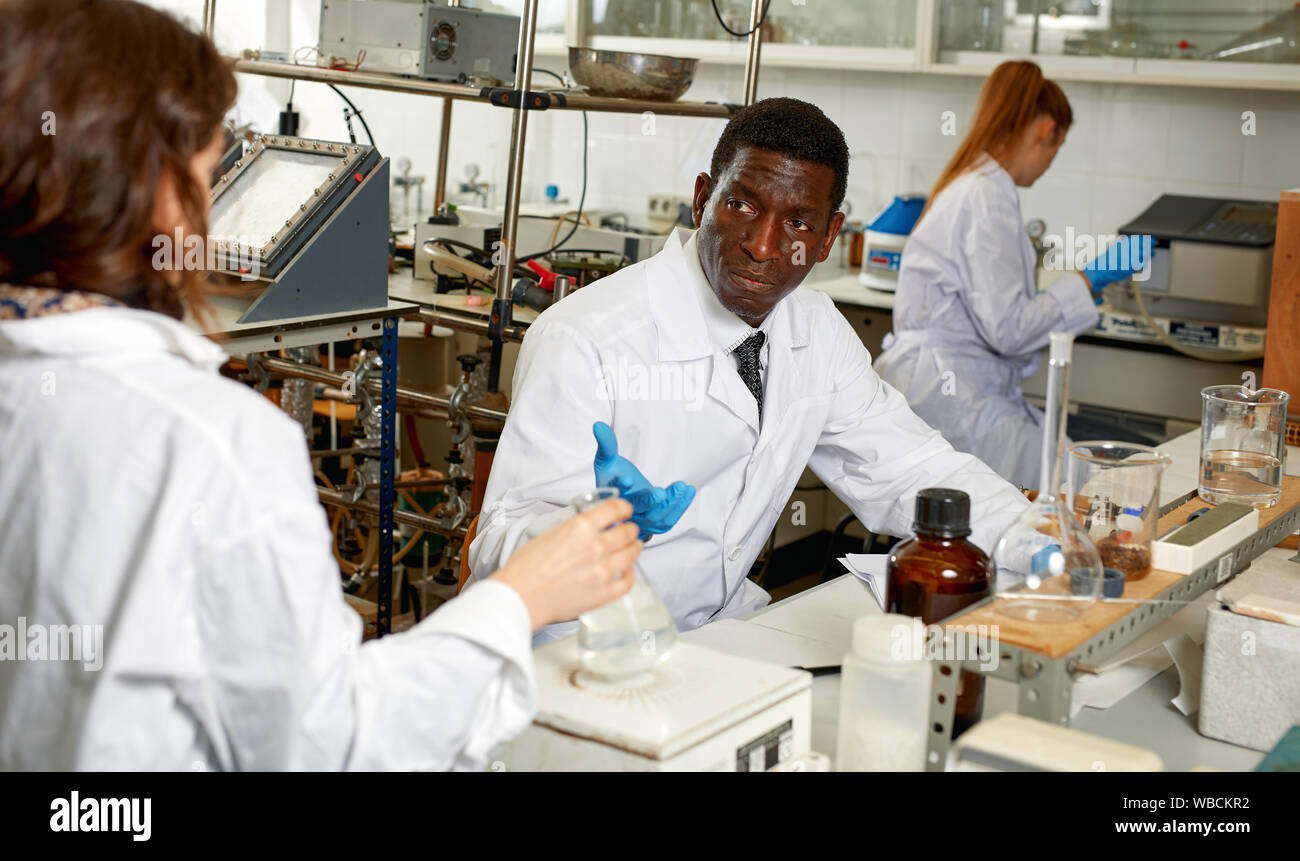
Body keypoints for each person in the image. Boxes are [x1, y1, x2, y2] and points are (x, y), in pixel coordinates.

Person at [0, 0, 641, 771]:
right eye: (207, 176)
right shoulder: (211, 442)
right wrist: (521, 598)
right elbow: (330, 742)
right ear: (155, 193)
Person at [468, 97, 1031, 644]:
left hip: (716, 636)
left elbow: (910, 467)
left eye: (798, 224)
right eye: (742, 206)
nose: (763, 247)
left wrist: (1034, 540)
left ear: (828, 237)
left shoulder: (816, 329)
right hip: (575, 648)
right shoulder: (585, 337)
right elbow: (496, 542)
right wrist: (590, 529)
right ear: (702, 199)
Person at [873, 60, 1153, 491]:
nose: (1047, 166)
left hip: (950, 392)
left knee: (1069, 473)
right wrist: (1088, 280)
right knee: (1091, 485)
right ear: (1046, 132)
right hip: (958, 407)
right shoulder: (985, 196)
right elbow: (1009, 330)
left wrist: (1074, 295)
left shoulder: (975, 185)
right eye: (1055, 150)